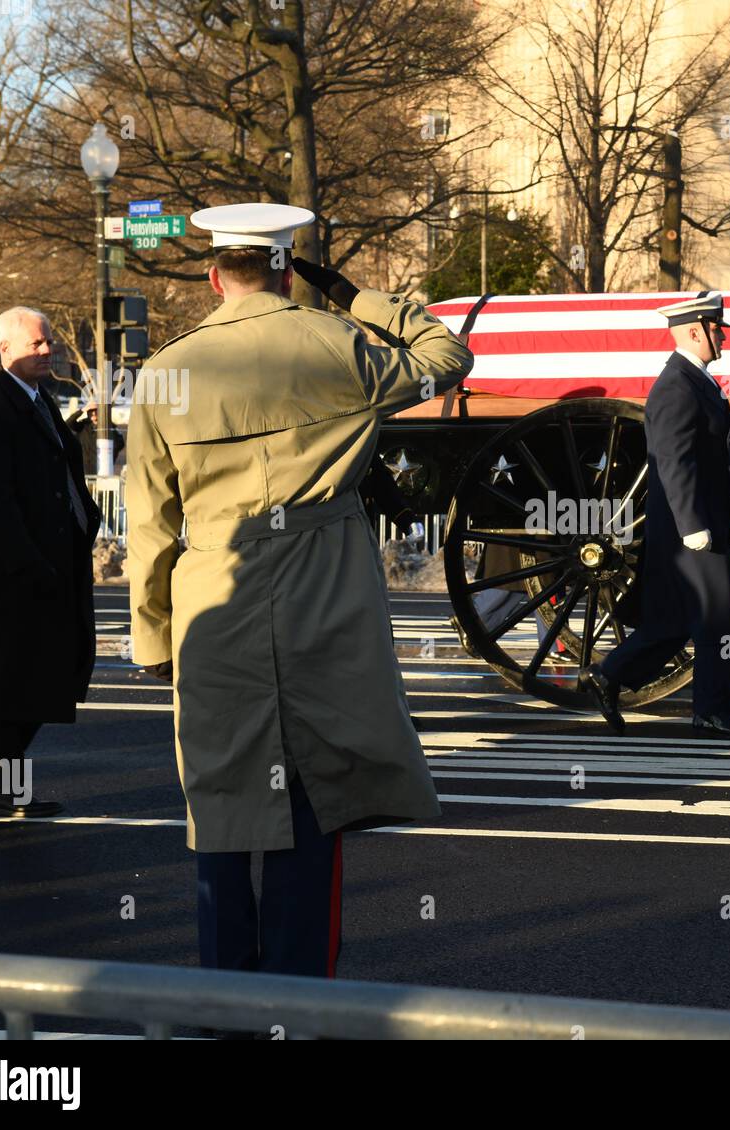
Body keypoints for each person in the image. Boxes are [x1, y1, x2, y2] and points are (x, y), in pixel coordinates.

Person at [127, 202, 473, 979]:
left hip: (214, 592)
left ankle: (224, 998)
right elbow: (447, 354)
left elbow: (150, 520)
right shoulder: (338, 342)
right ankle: (299, 994)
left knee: (218, 802)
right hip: (327, 588)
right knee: (315, 792)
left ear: (215, 275)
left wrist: (151, 636)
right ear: (286, 268)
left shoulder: (166, 371)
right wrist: (354, 297)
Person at [578, 292, 730, 737]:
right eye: (716, 328)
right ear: (695, 331)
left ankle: (607, 675)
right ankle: (714, 710)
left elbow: (716, 459)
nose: (722, 336)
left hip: (698, 522)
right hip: (689, 529)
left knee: (673, 621)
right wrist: (694, 525)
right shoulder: (677, 385)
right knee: (719, 620)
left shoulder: (694, 380)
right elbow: (673, 461)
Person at [0, 306, 101, 816]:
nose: (47, 349)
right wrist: (30, 566)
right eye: (36, 343)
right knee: (15, 679)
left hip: (55, 563)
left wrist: (89, 517)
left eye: (48, 341)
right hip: (15, 574)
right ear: (6, 351)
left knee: (53, 670)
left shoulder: (40, 401)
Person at [65, 400, 125, 475]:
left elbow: (120, 443)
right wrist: (82, 410)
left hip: (102, 469)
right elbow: (68, 423)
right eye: (90, 411)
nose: (93, 413)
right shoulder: (83, 425)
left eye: (96, 410)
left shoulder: (109, 425)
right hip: (84, 468)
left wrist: (110, 456)